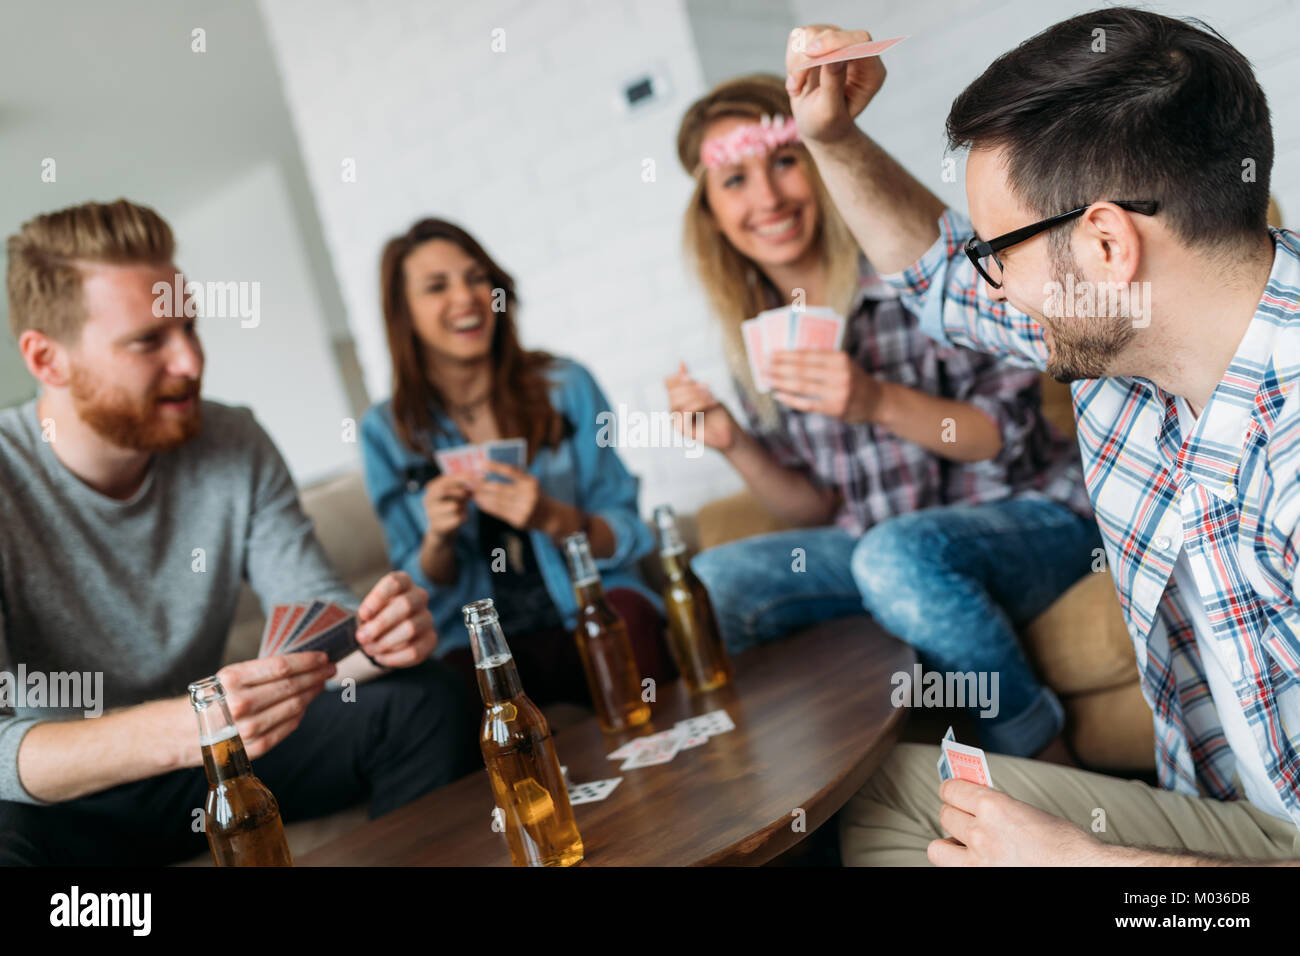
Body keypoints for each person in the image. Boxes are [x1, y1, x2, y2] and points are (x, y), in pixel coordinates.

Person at [785, 11, 1300, 864]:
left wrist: (1084, 864)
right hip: (1232, 816)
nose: (992, 283)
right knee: (888, 801)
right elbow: (938, 279)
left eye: (999, 251)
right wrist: (834, 140)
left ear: (1106, 242)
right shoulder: (1137, 329)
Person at [0, 199, 478, 866]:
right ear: (47, 359)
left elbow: (315, 614)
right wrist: (191, 725)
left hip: (208, 766)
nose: (191, 362)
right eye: (148, 342)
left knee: (427, 701)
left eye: (189, 327)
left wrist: (381, 641)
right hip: (62, 803)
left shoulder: (234, 441)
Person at [666, 73, 1097, 761]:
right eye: (735, 181)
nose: (768, 197)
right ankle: (803, 789)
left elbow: (1005, 441)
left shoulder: (909, 272)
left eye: (784, 162)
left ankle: (1041, 760)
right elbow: (815, 509)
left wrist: (876, 402)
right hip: (880, 549)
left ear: (818, 166)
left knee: (896, 556)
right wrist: (733, 444)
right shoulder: (758, 337)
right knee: (717, 582)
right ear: (712, 213)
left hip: (1030, 517)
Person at [360, 217, 671, 723]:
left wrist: (554, 517)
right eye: (437, 287)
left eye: (477, 278)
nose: (466, 298)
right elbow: (414, 584)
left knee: (629, 617)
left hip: (582, 613)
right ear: (404, 314)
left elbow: (633, 533)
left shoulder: (566, 386)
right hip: (478, 645)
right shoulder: (386, 430)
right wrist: (438, 539)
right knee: (441, 692)